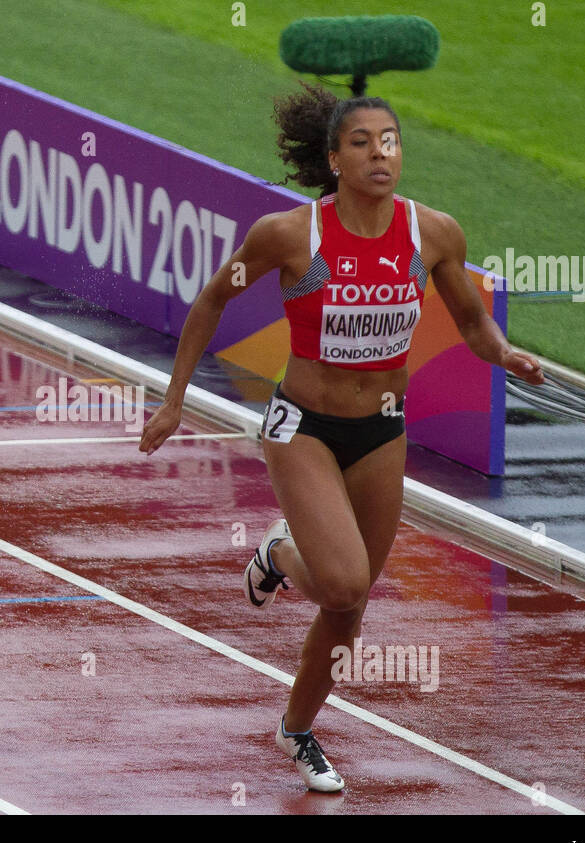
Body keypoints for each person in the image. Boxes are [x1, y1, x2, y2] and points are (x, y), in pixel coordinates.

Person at [139, 85, 545, 791]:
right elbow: (212, 299)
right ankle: (279, 550)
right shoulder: (290, 236)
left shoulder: (434, 234)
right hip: (304, 428)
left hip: (383, 428)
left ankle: (297, 730)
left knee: (349, 606)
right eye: (361, 142)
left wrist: (505, 354)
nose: (380, 153)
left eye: (389, 139)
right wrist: (174, 401)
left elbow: (475, 324)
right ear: (334, 158)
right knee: (343, 579)